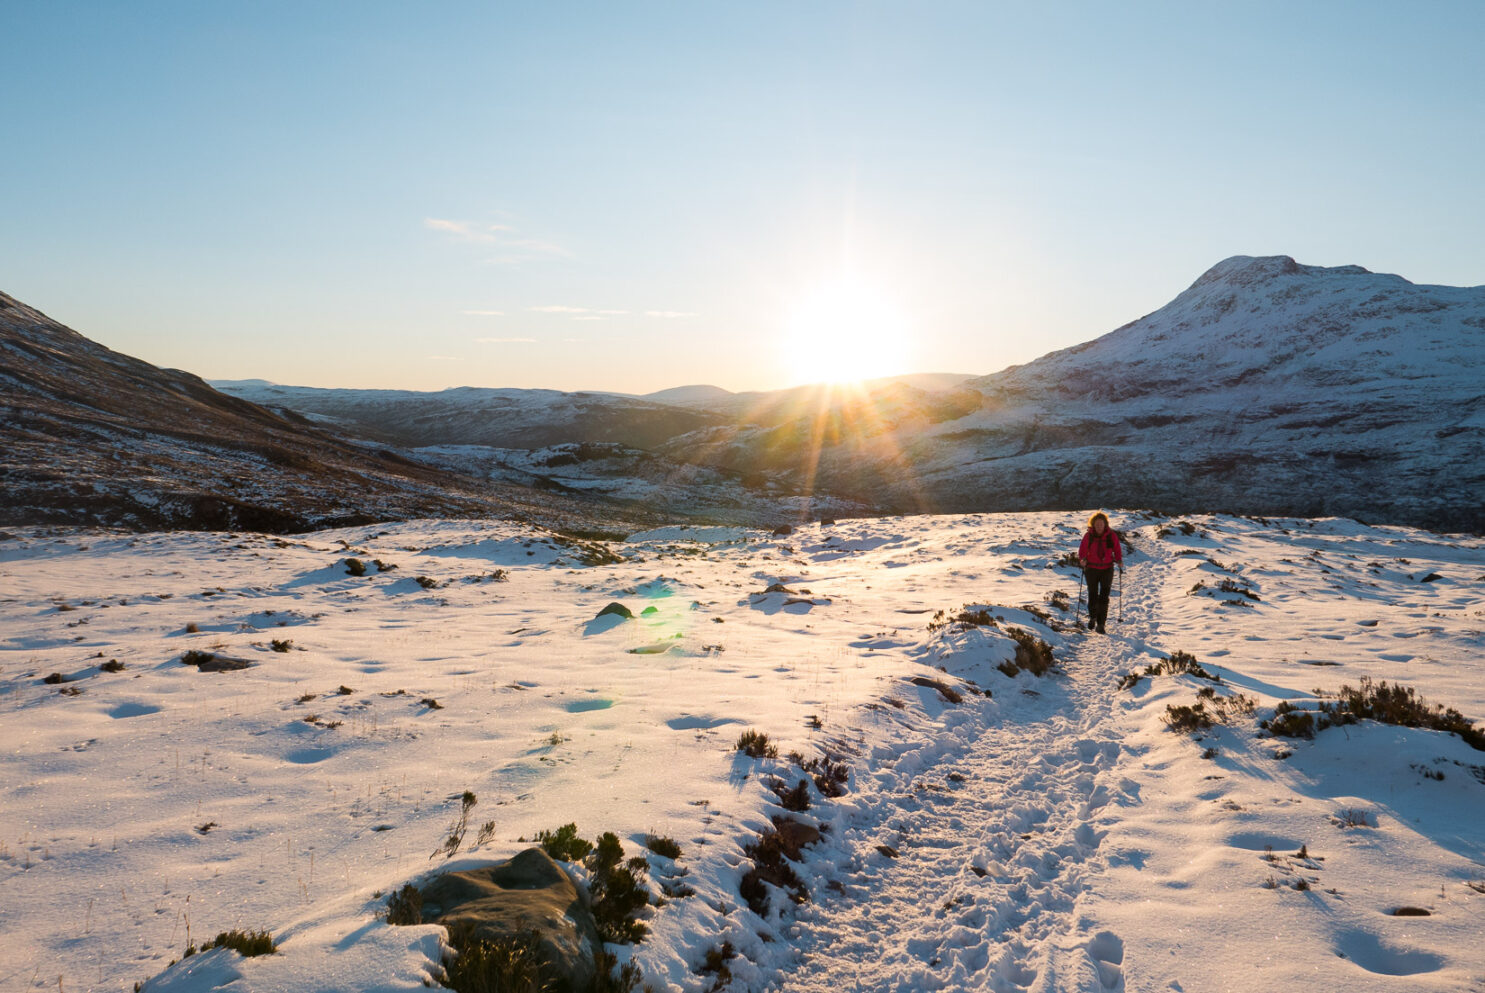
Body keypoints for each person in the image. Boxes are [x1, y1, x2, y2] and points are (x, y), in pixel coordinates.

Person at [1078, 512, 1123, 633]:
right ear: (1093, 524)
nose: (1099, 526)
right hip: (1091, 569)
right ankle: (1093, 616)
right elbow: (1082, 549)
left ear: (1105, 524)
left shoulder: (1111, 535)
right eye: (1097, 524)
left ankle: (1101, 624)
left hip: (1107, 569)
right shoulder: (1089, 536)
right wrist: (1082, 559)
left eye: (1101, 524)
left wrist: (1119, 560)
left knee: (1104, 596)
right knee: (1092, 594)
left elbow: (1117, 548)